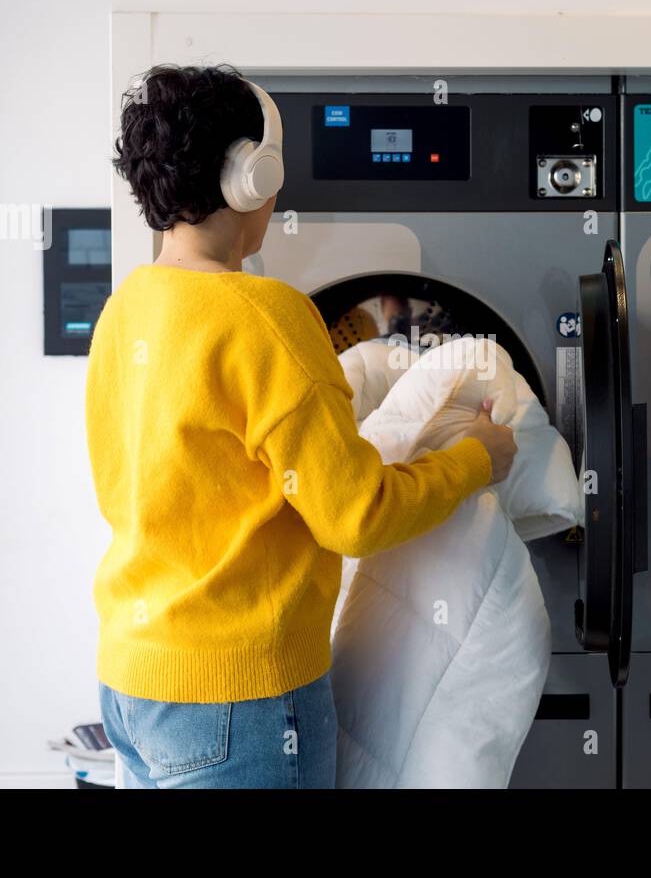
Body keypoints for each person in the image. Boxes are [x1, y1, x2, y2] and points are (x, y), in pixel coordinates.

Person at [87, 64, 516, 788]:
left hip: (131, 681)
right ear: (250, 176)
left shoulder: (125, 308)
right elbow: (354, 516)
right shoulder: (266, 315)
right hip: (238, 696)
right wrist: (478, 456)